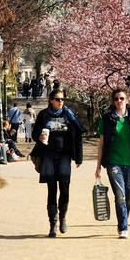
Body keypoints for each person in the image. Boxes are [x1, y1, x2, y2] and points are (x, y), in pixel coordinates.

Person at [94, 88, 130, 239]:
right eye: (116, 98)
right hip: (114, 162)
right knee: (120, 196)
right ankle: (123, 227)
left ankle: (122, 219)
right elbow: (101, 143)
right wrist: (98, 166)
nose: (119, 101)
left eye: (122, 98)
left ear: (127, 100)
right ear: (113, 101)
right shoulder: (107, 118)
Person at [30, 89, 84, 237]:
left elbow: (78, 135)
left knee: (65, 189)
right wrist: (39, 137)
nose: (61, 102)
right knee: (52, 190)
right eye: (57, 99)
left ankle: (63, 218)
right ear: (51, 100)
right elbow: (34, 133)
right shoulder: (43, 115)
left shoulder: (70, 115)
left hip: (65, 155)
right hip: (48, 155)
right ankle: (52, 224)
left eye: (62, 99)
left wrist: (79, 157)